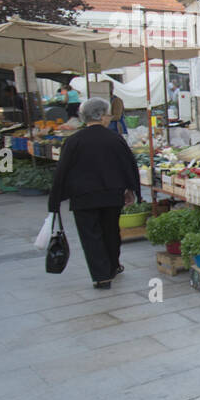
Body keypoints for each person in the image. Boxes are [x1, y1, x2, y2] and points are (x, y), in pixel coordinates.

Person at [48, 97, 143, 289]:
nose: (109, 118)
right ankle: (113, 266)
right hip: (111, 194)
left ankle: (101, 276)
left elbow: (62, 171)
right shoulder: (115, 138)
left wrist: (55, 200)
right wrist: (131, 190)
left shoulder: (74, 141)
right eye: (108, 114)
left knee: (90, 236)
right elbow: (128, 166)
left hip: (82, 196)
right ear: (101, 116)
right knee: (111, 232)